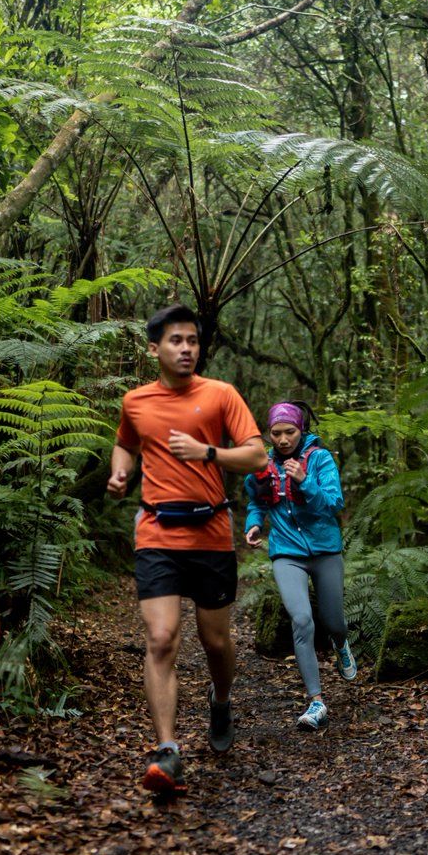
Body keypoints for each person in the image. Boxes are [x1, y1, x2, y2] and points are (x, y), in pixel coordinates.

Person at [107, 304, 267, 795]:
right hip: (156, 532)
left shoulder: (220, 395)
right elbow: (127, 443)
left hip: (211, 533)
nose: (186, 349)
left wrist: (208, 453)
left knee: (216, 641)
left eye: (192, 341)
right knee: (161, 638)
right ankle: (167, 750)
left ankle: (220, 700)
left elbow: (258, 455)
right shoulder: (136, 401)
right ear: (153, 348)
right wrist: (120, 472)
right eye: (176, 341)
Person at [244, 401, 357, 731]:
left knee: (334, 621)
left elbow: (334, 504)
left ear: (301, 429)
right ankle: (316, 700)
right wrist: (253, 524)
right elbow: (255, 500)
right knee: (302, 619)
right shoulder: (261, 463)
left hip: (325, 550)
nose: (282, 439)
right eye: (275, 433)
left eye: (289, 432)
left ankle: (340, 643)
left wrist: (305, 481)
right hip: (286, 552)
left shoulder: (319, 458)